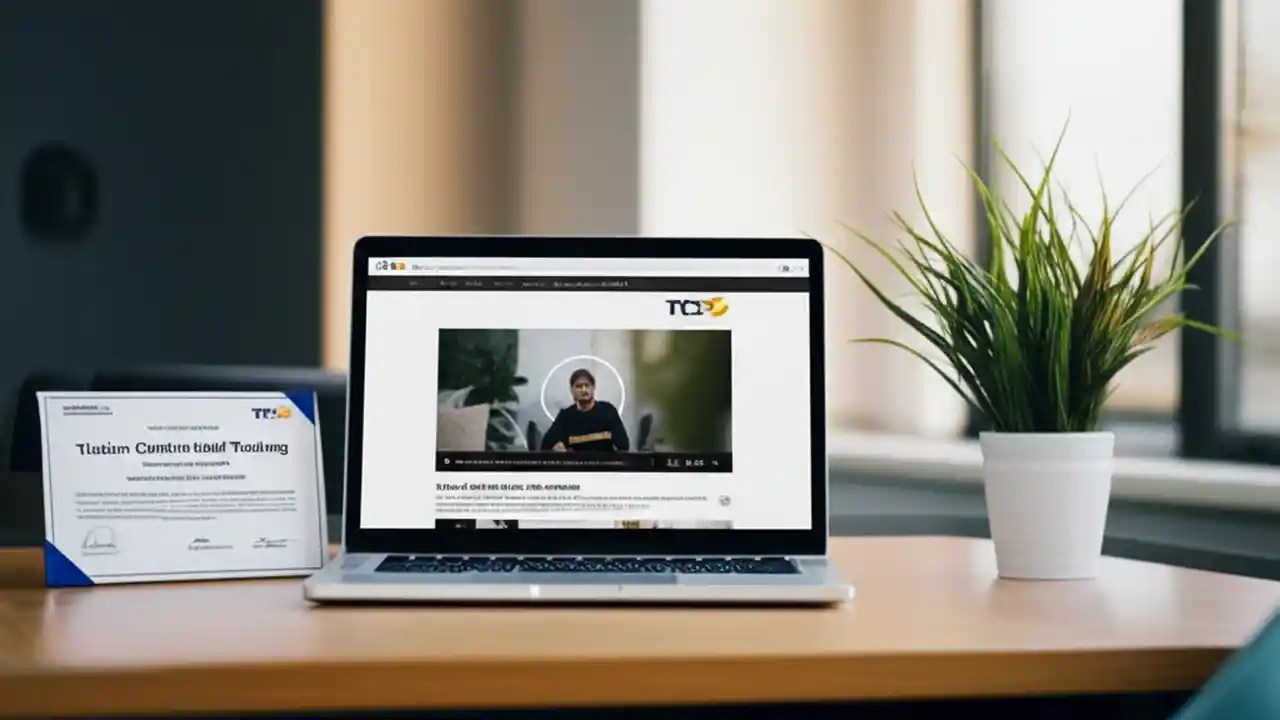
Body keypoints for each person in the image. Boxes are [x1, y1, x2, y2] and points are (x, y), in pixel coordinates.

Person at [540, 368, 630, 452]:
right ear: (572, 390)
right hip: (576, 467)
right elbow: (545, 445)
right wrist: (556, 446)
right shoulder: (566, 416)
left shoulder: (608, 411)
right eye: (579, 386)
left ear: (593, 388)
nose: (584, 390)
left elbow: (624, 445)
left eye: (587, 385)